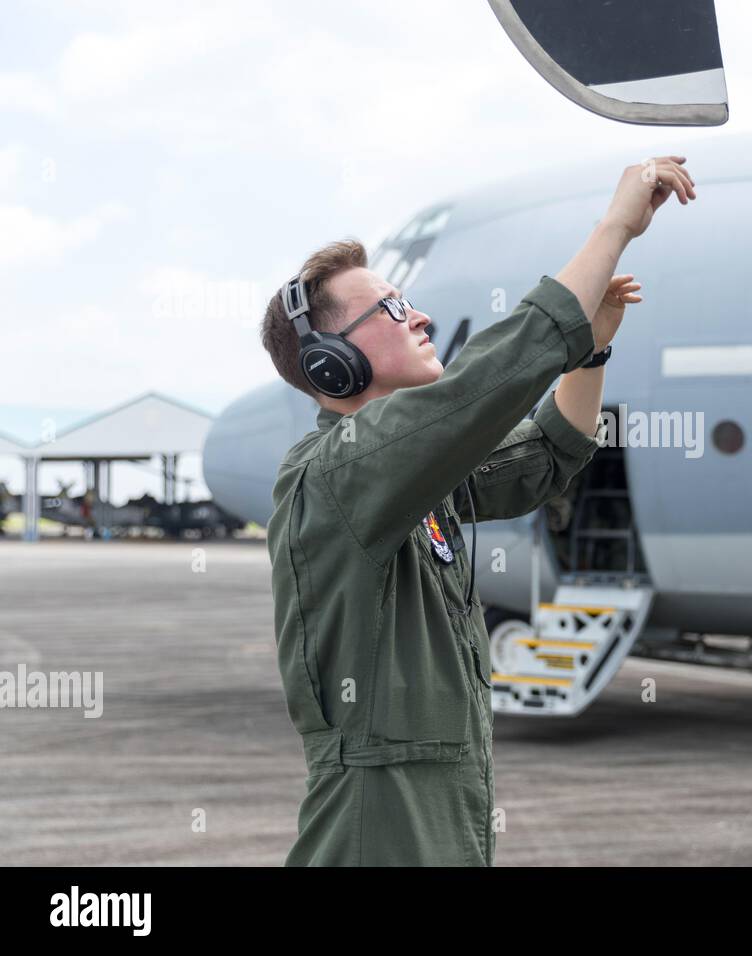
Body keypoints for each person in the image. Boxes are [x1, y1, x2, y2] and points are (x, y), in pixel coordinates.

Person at [257, 156, 696, 865]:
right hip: (381, 829)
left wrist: (590, 352)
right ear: (331, 364)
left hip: (446, 818)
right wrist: (614, 227)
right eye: (393, 308)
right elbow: (484, 384)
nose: (420, 314)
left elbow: (545, 458)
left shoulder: (410, 480)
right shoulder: (338, 474)